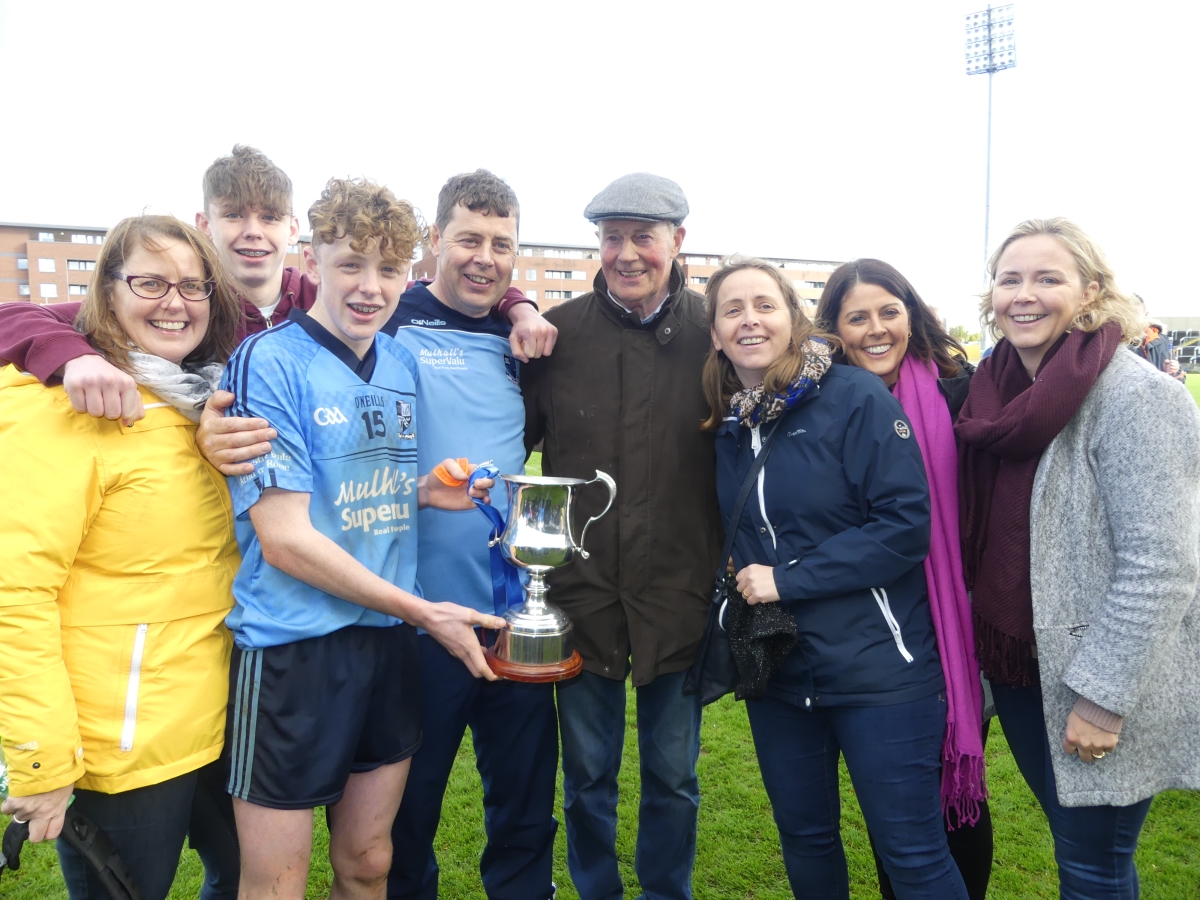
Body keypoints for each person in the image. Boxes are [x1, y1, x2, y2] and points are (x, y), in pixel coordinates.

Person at [190, 169, 559, 900]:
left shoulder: (395, 360)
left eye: (387, 269)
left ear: (406, 271)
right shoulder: (268, 361)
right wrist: (424, 611)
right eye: (350, 263)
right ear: (312, 262)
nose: (369, 285)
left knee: (369, 865)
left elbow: (357, 492)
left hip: (385, 647)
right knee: (276, 883)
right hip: (295, 650)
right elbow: (288, 539)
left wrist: (427, 492)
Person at [703, 256, 968, 899]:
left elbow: (904, 527)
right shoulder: (730, 423)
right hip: (782, 672)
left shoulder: (854, 397)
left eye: (764, 305)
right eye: (731, 310)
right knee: (807, 841)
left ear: (792, 319)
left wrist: (786, 579)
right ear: (714, 333)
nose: (749, 321)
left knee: (912, 853)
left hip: (882, 671)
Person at [0, 215, 244, 900]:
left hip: (222, 717)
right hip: (125, 742)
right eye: (150, 282)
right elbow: (15, 594)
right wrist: (42, 762)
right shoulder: (62, 406)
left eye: (194, 287)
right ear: (107, 292)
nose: (176, 302)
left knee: (245, 879)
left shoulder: (195, 396)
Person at [956, 217, 1200, 899]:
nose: (1023, 295)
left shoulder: (1137, 397)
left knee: (1095, 865)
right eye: (1010, 279)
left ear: (1090, 292)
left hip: (1100, 677)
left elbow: (1163, 566)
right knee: (1078, 852)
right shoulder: (995, 390)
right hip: (1023, 665)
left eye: (1047, 278)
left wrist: (1103, 698)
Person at [0, 145, 557, 431]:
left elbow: (444, 291)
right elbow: (19, 315)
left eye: (268, 217)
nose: (252, 232)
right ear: (204, 223)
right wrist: (74, 359)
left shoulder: (328, 301)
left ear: (292, 230)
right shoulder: (185, 306)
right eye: (233, 216)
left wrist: (519, 305)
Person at [522, 174, 722, 900]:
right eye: (613, 237)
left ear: (678, 241)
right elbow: (502, 450)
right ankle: (596, 890)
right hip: (581, 596)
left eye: (645, 236)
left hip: (679, 594)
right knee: (587, 775)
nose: (627, 253)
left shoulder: (717, 334)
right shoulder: (557, 334)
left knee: (674, 775)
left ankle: (668, 892)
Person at [814, 259, 992, 900]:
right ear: (833, 329)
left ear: (911, 314)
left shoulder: (957, 390)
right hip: (871, 632)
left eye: (889, 311)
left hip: (952, 619)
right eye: (856, 317)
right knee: (899, 806)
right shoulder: (818, 405)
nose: (876, 329)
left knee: (950, 786)